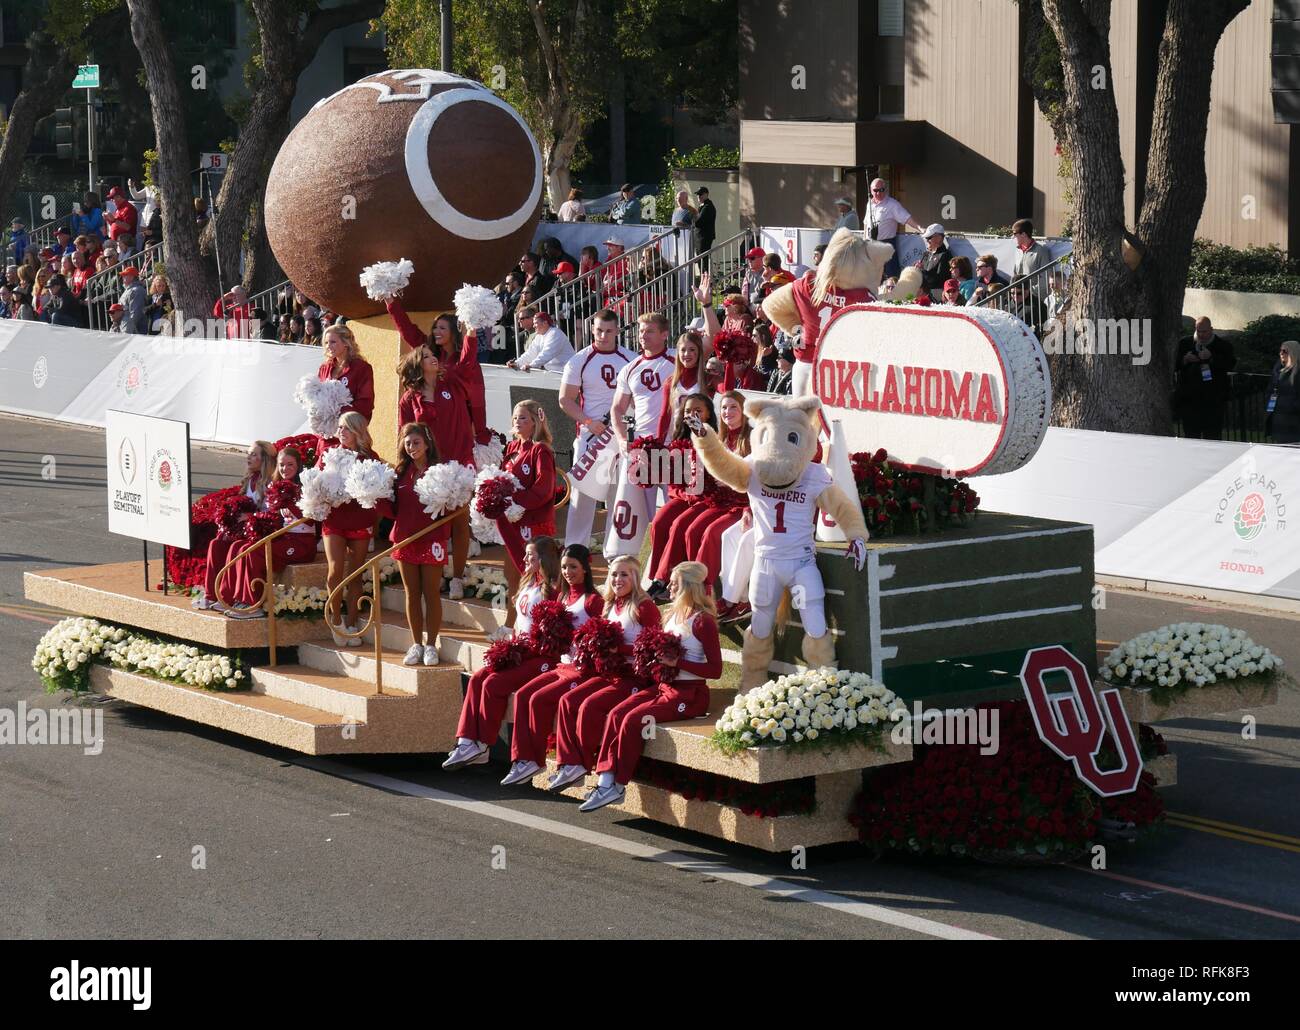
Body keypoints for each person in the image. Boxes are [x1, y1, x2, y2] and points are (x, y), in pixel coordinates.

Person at [447, 543, 603, 773]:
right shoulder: (531, 582)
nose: (525, 558)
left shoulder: (555, 591)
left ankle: (484, 745)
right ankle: (467, 741)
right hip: (524, 650)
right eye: (565, 567)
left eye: (531, 555)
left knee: (494, 684)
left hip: (543, 657)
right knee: (478, 678)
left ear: (544, 559)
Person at [578, 560, 720, 811]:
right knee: (617, 713)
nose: (669, 588)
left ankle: (618, 785)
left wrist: (677, 662)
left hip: (690, 695)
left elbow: (716, 671)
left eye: (674, 584)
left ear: (689, 587)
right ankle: (605, 781)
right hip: (664, 687)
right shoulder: (671, 615)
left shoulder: (703, 621)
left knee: (633, 721)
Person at [516, 555, 661, 790]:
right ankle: (569, 765)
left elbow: (654, 647)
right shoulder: (610, 605)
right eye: (614, 574)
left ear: (636, 577)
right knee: (568, 701)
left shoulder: (645, 607)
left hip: (636, 678)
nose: (617, 579)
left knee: (589, 706)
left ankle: (581, 765)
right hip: (610, 674)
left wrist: (619, 649)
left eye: (624, 574)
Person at [393, 325, 478, 596]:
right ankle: (436, 572)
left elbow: (467, 363)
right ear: (418, 364)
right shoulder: (409, 399)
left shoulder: (450, 383)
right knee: (432, 523)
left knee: (460, 522)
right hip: (430, 469)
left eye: (433, 355)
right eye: (428, 356)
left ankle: (458, 577)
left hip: (459, 462)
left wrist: (471, 334)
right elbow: (404, 435)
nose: (434, 358)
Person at [373, 422, 452, 665]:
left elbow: (451, 507)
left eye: (416, 442)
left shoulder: (439, 471)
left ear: (427, 444)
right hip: (405, 539)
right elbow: (393, 510)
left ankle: (431, 645)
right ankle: (417, 644)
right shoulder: (399, 473)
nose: (411, 447)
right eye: (407, 443)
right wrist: (375, 496)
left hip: (431, 538)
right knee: (412, 593)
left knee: (431, 593)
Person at [558, 308, 634, 547]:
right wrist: (589, 422)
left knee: (618, 495)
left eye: (609, 331)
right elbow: (565, 400)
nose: (603, 336)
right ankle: (575, 548)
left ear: (617, 331)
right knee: (583, 496)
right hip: (591, 438)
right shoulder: (579, 360)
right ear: (592, 329)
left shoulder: (631, 359)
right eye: (599, 330)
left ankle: (615, 550)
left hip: (621, 437)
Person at [607, 311, 676, 559]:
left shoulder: (678, 359)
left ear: (664, 334)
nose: (643, 336)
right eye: (641, 331)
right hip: (642, 449)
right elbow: (617, 409)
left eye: (649, 331)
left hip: (673, 447)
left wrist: (707, 305)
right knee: (645, 513)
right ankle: (650, 560)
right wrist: (622, 439)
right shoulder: (630, 368)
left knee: (675, 507)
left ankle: (674, 559)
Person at [223, 446, 317, 618]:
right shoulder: (276, 486)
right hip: (284, 537)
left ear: (298, 466)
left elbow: (312, 519)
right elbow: (274, 518)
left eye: (290, 464)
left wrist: (288, 502)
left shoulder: (306, 486)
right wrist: (254, 521)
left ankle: (254, 605)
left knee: (254, 552)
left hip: (302, 543)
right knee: (241, 547)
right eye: (281, 465)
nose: (285, 469)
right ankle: (233, 598)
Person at [319, 412, 380, 647]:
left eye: (346, 428)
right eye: (339, 427)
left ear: (357, 431)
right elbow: (316, 482)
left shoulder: (370, 458)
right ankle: (336, 620)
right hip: (334, 521)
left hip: (360, 520)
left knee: (355, 573)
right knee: (334, 570)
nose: (341, 432)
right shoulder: (329, 454)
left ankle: (352, 623)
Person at [494, 400, 558, 622]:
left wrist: (515, 500)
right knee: (512, 575)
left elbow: (544, 489)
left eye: (523, 418)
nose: (517, 422)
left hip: (534, 524)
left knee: (537, 578)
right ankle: (512, 624)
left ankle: (540, 622)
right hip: (513, 523)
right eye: (515, 417)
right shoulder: (511, 448)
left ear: (535, 422)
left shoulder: (541, 450)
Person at [194, 440, 277, 610]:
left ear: (264, 459)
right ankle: (211, 594)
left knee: (235, 547)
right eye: (248, 453)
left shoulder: (271, 483)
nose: (248, 457)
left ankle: (228, 597)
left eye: (254, 454)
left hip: (262, 530)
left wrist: (251, 516)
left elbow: (273, 514)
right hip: (247, 527)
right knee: (217, 543)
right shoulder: (250, 479)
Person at [1172, 317, 1236, 440]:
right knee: (1191, 436)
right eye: (1198, 331)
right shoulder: (1185, 343)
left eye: (1204, 331)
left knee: (1212, 437)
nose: (1201, 334)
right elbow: (1173, 365)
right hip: (1190, 400)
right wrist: (1185, 359)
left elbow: (1230, 364)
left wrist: (1211, 358)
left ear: (1211, 329)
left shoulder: (1223, 345)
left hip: (1213, 401)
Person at [654, 330, 708, 441]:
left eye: (692, 349)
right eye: (683, 350)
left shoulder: (708, 378)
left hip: (702, 441)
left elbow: (728, 390)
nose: (687, 354)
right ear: (678, 353)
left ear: (699, 352)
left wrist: (730, 361)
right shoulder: (671, 381)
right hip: (677, 440)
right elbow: (665, 415)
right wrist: (659, 443)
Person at [317, 322, 374, 423]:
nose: (328, 346)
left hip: (351, 426)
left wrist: (338, 411)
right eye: (326, 343)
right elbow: (317, 395)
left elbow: (366, 403)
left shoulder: (362, 368)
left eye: (333, 342)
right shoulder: (324, 368)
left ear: (346, 343)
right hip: (326, 426)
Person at [864, 178, 922, 279]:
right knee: (872, 277)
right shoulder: (869, 204)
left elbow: (906, 218)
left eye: (881, 190)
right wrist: (864, 241)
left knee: (891, 276)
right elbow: (866, 223)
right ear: (871, 191)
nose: (878, 193)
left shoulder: (892, 204)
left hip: (886, 244)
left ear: (885, 190)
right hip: (871, 245)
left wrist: (919, 228)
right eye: (875, 190)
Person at [508, 308, 575, 371]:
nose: (534, 326)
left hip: (568, 371)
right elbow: (530, 353)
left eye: (536, 323)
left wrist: (531, 365)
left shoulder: (555, 333)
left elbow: (547, 353)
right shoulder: (539, 336)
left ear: (545, 323)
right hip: (555, 373)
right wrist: (517, 363)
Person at [1266, 340, 1300, 444]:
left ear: (1293, 352)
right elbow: (1271, 389)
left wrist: (1291, 406)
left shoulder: (1297, 372)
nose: (1281, 353)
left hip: (1293, 419)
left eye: (1284, 351)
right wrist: (1270, 405)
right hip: (1278, 415)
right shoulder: (1278, 369)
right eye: (1280, 350)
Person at [1011, 217, 1053, 297]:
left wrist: (1029, 292)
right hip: (1019, 298)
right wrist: (1014, 292)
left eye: (1015, 234)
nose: (1013, 237)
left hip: (1035, 299)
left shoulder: (1041, 251)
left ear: (1023, 234)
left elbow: (1046, 278)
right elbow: (1015, 275)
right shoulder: (1017, 251)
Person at [914, 224, 952, 297]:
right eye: (926, 238)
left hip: (936, 293)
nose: (927, 240)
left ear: (939, 238)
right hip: (922, 290)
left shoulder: (945, 255)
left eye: (929, 237)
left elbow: (940, 280)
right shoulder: (926, 253)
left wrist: (922, 270)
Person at [118, 266, 148, 334]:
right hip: (126, 329)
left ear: (131, 277)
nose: (122, 277)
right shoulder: (129, 290)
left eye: (125, 275)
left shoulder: (137, 291)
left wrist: (127, 331)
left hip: (135, 332)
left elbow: (136, 313)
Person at [695, 186, 717, 253]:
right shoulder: (703, 206)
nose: (699, 196)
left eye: (700, 194)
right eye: (697, 194)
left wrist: (692, 219)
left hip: (704, 237)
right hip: (701, 237)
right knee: (700, 257)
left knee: (703, 257)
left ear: (706, 194)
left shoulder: (708, 206)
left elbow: (698, 222)